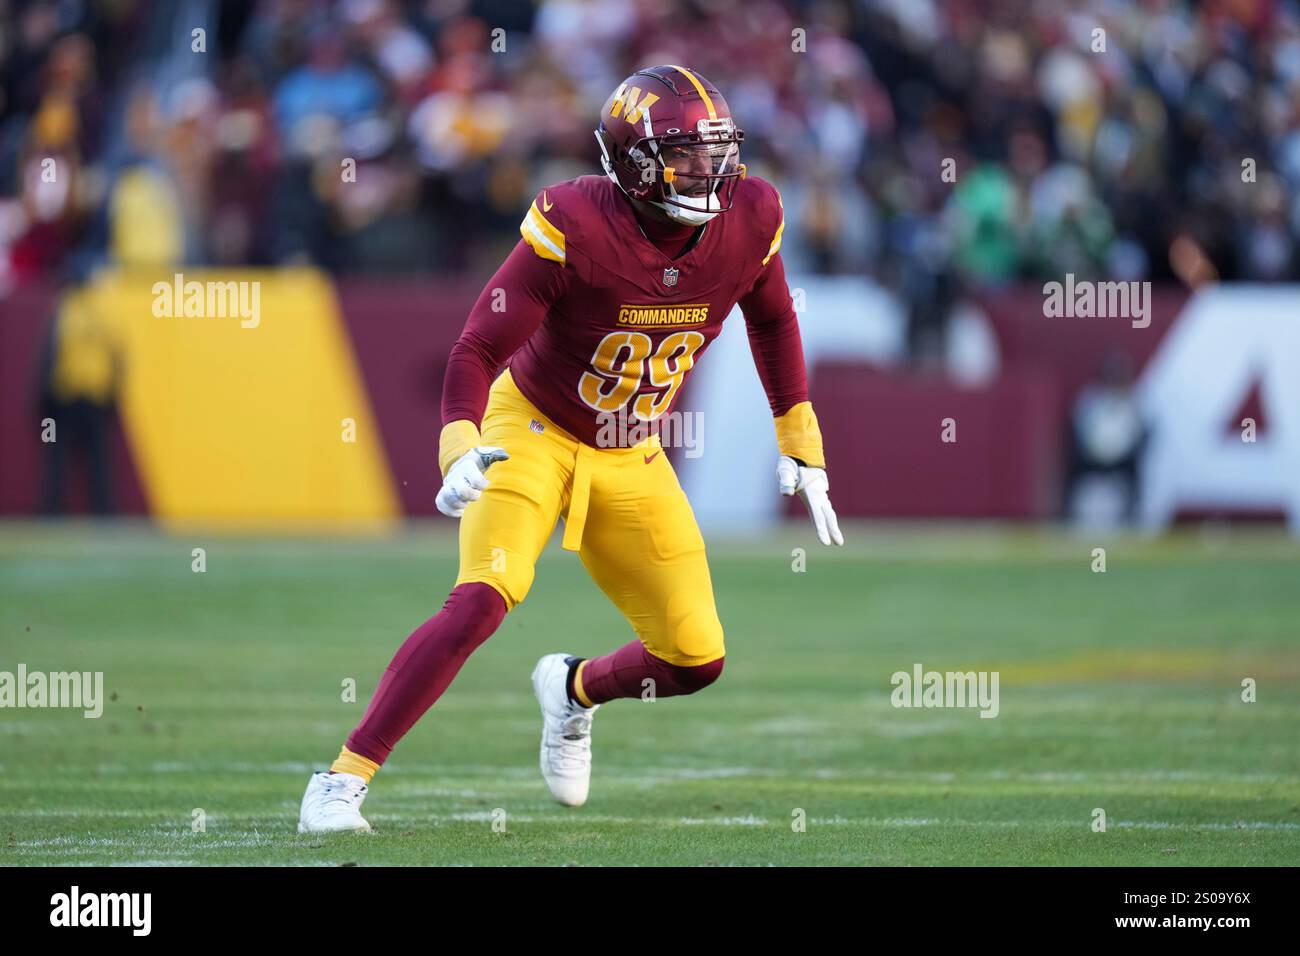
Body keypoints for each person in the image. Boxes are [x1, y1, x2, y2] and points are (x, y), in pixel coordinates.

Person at [299, 65, 843, 832]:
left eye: (716, 151)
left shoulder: (752, 216)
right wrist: (458, 441)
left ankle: (572, 690)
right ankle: (338, 780)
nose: (709, 171)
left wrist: (800, 439)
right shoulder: (576, 222)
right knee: (481, 602)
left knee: (695, 659)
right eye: (686, 155)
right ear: (631, 162)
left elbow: (775, 320)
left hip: (631, 452)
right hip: (532, 431)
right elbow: (475, 345)